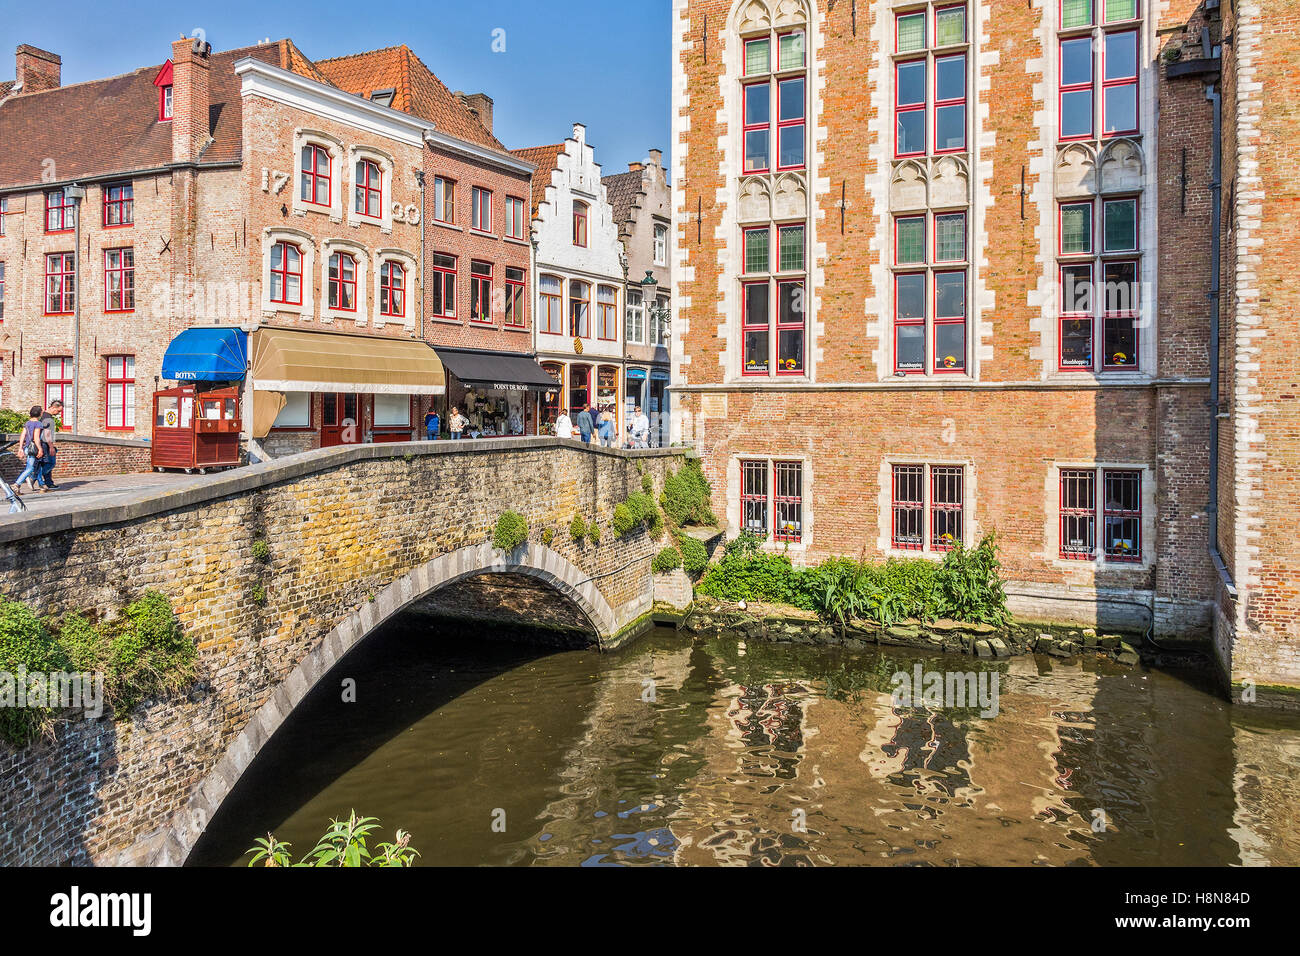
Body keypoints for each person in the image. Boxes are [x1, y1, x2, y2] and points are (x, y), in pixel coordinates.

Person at [13, 406, 48, 493]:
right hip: (33, 449)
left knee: (37, 466)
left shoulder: (27, 423)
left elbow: (22, 435)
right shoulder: (38, 424)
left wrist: (20, 448)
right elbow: (36, 438)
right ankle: (16, 484)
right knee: (30, 469)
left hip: (27, 448)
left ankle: (42, 485)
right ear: (39, 413)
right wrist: (40, 449)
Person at [38, 400, 62, 490]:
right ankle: (34, 476)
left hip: (44, 443)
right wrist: (51, 446)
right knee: (51, 463)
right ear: (53, 407)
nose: (58, 413)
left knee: (46, 463)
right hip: (45, 444)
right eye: (58, 411)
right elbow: (47, 434)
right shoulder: (48, 418)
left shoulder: (43, 416)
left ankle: (49, 482)